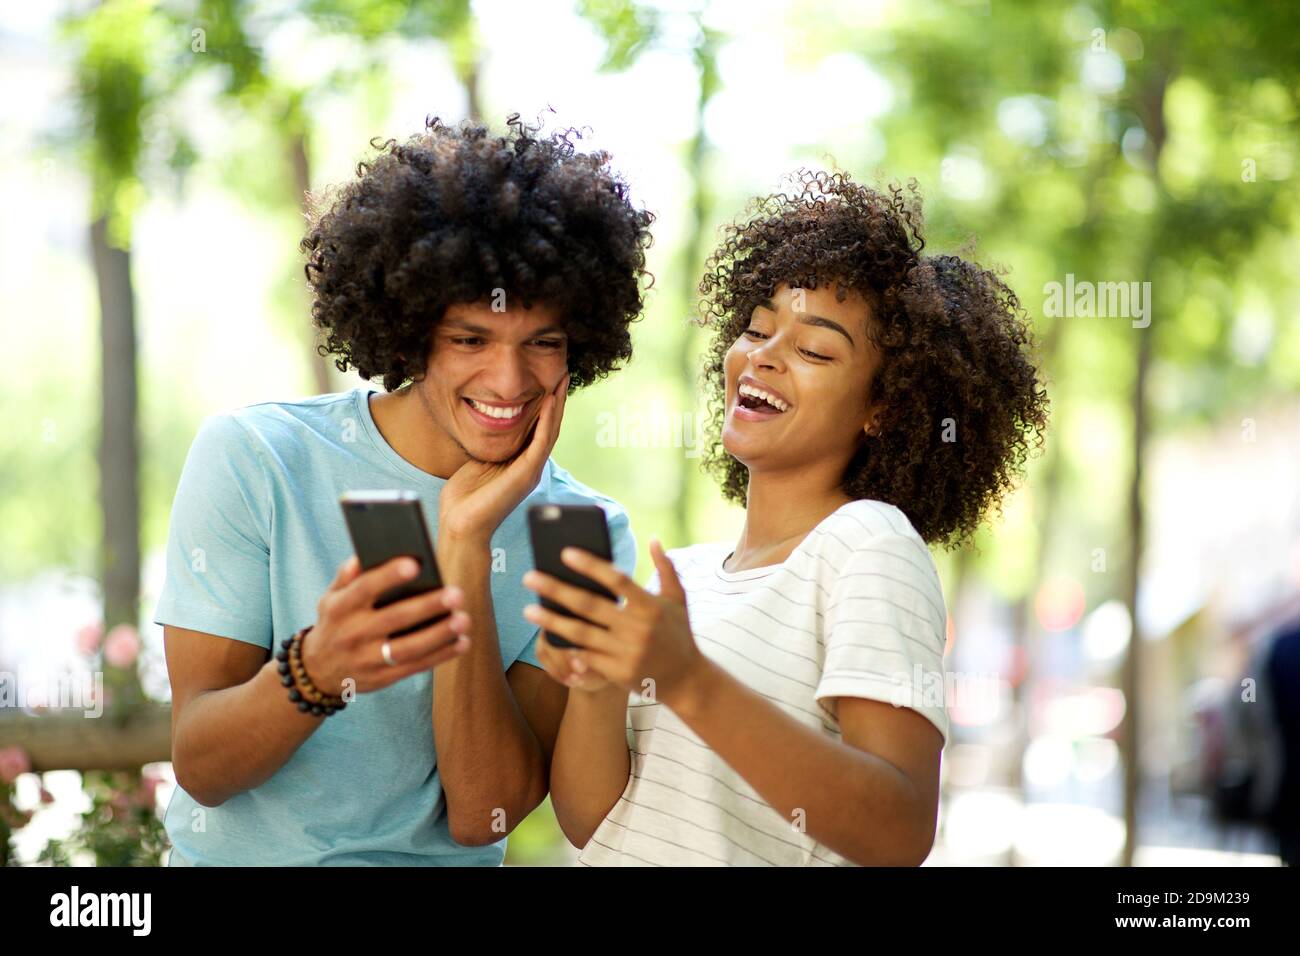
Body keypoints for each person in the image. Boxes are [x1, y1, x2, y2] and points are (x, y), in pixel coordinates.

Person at [155, 114, 653, 865]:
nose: (510, 382)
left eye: (542, 343)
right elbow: (202, 769)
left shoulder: (580, 531)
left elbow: (484, 815)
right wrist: (317, 670)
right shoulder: (257, 458)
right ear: (409, 330)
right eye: (470, 340)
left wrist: (464, 543)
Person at [525, 171, 1049, 866]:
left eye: (813, 350)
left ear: (884, 407)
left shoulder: (868, 547)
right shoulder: (681, 575)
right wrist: (596, 683)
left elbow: (898, 831)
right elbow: (594, 822)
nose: (763, 356)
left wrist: (686, 679)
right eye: (758, 328)